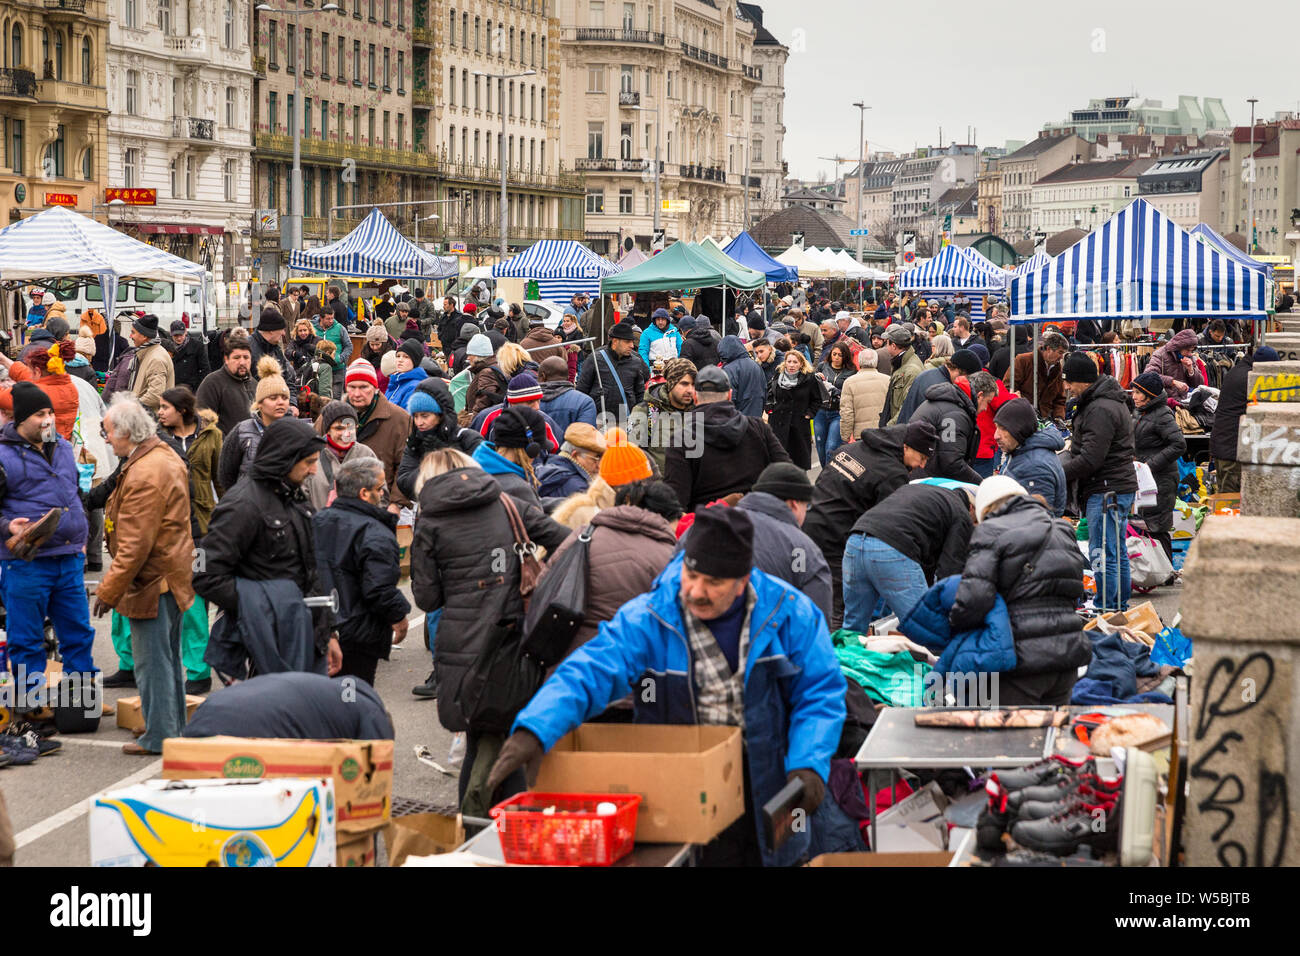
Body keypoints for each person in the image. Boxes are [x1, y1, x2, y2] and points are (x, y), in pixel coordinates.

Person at [487, 506, 847, 866]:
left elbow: (819, 693)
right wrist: (536, 727)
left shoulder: (792, 614)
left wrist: (808, 763)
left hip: (769, 778)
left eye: (714, 583)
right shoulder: (651, 615)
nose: (696, 591)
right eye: (692, 575)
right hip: (683, 781)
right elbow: (592, 667)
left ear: (743, 582)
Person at [410, 446, 569, 815]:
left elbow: (428, 598)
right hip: (514, 637)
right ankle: (511, 830)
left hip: (461, 645)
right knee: (513, 732)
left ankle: (476, 828)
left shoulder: (430, 521)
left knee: (478, 738)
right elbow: (565, 537)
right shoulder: (507, 503)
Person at [196, 417, 340, 680]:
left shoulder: (295, 495)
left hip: (308, 635)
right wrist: (265, 606)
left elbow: (313, 571)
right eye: (308, 462)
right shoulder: (241, 505)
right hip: (267, 644)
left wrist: (329, 633)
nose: (313, 471)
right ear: (284, 458)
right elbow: (204, 573)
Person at [93, 394, 195, 755]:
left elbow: (135, 545)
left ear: (126, 432)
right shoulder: (161, 456)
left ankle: (160, 735)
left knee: (153, 664)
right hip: (170, 574)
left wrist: (108, 590)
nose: (106, 439)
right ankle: (171, 727)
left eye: (108, 433)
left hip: (151, 581)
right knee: (166, 659)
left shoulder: (144, 472)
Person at [0, 383, 97, 717]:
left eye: (51, 413)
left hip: (69, 558)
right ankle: (30, 706)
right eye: (41, 414)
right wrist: (7, 527)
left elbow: (73, 495)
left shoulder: (65, 447)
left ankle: (82, 700)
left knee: (78, 635)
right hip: (26, 562)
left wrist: (82, 531)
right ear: (22, 418)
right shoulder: (3, 455)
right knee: (26, 640)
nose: (48, 420)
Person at [949, 476, 1089, 704]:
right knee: (1050, 735)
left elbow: (973, 601)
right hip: (1066, 659)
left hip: (1019, 663)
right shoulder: (1061, 529)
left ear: (986, 508)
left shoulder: (991, 531)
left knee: (1009, 737)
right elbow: (1075, 594)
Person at [536, 478, 681, 677]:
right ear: (664, 517)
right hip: (628, 675)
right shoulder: (668, 556)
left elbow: (543, 584)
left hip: (565, 665)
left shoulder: (583, 535)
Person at [803, 421, 936, 628]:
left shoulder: (850, 448)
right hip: (837, 540)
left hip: (810, 526)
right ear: (906, 447)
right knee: (839, 609)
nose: (922, 466)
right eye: (922, 458)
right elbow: (887, 526)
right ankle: (835, 656)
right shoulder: (892, 474)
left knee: (813, 598)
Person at [680, 463, 833, 622]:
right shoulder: (804, 549)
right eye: (806, 506)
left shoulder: (701, 527)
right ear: (794, 504)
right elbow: (816, 622)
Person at [310, 457, 410, 686]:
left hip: (319, 624)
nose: (384, 492)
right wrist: (399, 616)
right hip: (358, 632)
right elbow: (379, 587)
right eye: (380, 488)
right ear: (364, 493)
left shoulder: (316, 521)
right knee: (351, 698)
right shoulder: (375, 532)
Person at [842, 482, 975, 632]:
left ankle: (846, 654)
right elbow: (950, 570)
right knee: (925, 629)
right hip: (891, 548)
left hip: (855, 539)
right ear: (971, 508)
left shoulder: (925, 493)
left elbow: (927, 565)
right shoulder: (961, 513)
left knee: (853, 629)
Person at [1061, 352, 1137, 611]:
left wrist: (1059, 473)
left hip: (1107, 489)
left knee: (1103, 552)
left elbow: (1091, 458)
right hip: (1115, 487)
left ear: (1083, 380)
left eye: (1070, 381)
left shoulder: (1099, 409)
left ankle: (1108, 607)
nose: (1067, 386)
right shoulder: (1105, 402)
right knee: (1116, 551)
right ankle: (1118, 606)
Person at [665, 366, 790, 511]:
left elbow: (675, 504)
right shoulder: (758, 428)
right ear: (730, 395)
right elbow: (788, 475)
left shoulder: (682, 439)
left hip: (706, 526)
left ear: (695, 397)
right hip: (756, 522)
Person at [184, 672, 393, 739]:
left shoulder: (334, 693)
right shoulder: (372, 715)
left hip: (207, 712)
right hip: (237, 729)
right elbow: (373, 762)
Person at [1130, 371, 1186, 564]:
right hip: (1145, 478)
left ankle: (1166, 571)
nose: (1134, 396)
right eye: (1133, 392)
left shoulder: (1162, 414)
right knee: (1146, 523)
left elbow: (1179, 444)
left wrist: (1149, 465)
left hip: (1161, 479)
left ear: (1150, 394)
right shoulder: (1140, 412)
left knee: (1157, 526)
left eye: (1138, 393)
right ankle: (1154, 569)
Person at [344, 358, 412, 514]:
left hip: (382, 504)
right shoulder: (334, 416)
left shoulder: (399, 419)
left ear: (375, 388)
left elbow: (406, 465)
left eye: (363, 387)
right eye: (351, 387)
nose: (356, 394)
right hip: (341, 504)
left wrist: (396, 503)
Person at [908, 370, 999, 485]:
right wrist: (980, 484)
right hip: (928, 482)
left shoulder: (950, 403)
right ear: (980, 396)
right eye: (988, 402)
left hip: (921, 476)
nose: (986, 408)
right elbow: (951, 461)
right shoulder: (955, 414)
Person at [218, 356, 291, 490]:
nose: (280, 402)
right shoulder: (241, 431)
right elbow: (226, 474)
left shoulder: (296, 431)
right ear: (260, 403)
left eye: (284, 398)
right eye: (273, 398)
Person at [1211, 346, 1277, 493]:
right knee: (1231, 501)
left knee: (1228, 497)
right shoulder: (1249, 378)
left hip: (1226, 445)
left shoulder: (1239, 370)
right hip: (1232, 450)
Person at [156, 386, 222, 535]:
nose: (160, 412)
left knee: (200, 557)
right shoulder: (157, 437)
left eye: (165, 407)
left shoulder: (211, 434)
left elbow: (219, 479)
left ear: (182, 410)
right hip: (168, 517)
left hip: (202, 515)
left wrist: (227, 514)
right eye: (160, 407)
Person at [994, 397, 1067, 517]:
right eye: (996, 427)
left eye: (1003, 428)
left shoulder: (1035, 466)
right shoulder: (1021, 451)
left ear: (1019, 429)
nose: (996, 435)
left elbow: (1038, 523)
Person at [303, 399, 380, 511]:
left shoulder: (367, 455)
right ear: (328, 430)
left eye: (350, 427)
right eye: (339, 428)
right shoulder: (310, 457)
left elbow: (380, 498)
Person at [625, 357, 696, 475]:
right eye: (684, 384)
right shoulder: (647, 412)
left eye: (693, 385)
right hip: (658, 487)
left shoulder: (698, 411)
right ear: (670, 383)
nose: (690, 390)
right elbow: (632, 457)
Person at [0, 339, 80, 439]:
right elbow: (28, 376)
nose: (29, 374)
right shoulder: (69, 387)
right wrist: (3, 360)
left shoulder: (35, 394)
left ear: (37, 371)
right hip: (61, 445)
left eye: (30, 370)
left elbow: (2, 397)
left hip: (41, 449)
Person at [576, 324, 648, 421]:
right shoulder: (595, 359)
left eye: (632, 342)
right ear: (615, 341)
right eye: (627, 342)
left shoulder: (636, 362)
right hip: (600, 419)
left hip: (626, 418)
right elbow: (582, 390)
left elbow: (640, 393)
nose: (632, 345)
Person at [765, 348, 823, 469]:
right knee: (779, 461)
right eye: (789, 361)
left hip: (798, 424)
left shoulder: (809, 379)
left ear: (801, 363)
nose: (791, 365)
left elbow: (817, 400)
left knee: (799, 462)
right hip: (778, 423)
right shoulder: (778, 376)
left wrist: (809, 414)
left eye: (795, 362)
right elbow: (770, 393)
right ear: (785, 362)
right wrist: (769, 408)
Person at [896, 347, 980, 427]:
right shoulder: (942, 388)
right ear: (960, 371)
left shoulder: (928, 374)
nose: (967, 383)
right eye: (968, 379)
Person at [195, 328, 258, 435]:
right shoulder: (212, 383)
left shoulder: (254, 384)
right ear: (226, 359)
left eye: (246, 357)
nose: (242, 362)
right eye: (237, 357)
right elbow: (203, 423)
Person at [1003, 330, 1068, 422]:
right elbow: (1008, 388)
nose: (1061, 357)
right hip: (1022, 418)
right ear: (1048, 349)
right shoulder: (1023, 361)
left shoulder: (1057, 369)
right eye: (1060, 352)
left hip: (1046, 422)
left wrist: (1059, 417)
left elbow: (1059, 399)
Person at [536, 422, 605, 499]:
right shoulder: (580, 489)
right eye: (597, 458)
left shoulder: (546, 467)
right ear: (576, 455)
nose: (600, 465)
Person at [814, 341, 856, 467]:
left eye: (840, 355)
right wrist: (816, 377)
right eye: (834, 354)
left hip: (838, 412)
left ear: (845, 356)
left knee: (831, 447)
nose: (836, 357)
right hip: (821, 410)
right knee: (820, 446)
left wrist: (838, 391)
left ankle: (828, 477)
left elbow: (851, 391)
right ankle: (825, 472)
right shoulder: (823, 366)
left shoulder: (851, 371)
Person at [837, 349, 890, 443]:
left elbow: (846, 412)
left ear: (859, 361)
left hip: (860, 433)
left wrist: (846, 436)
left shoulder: (849, 382)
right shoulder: (888, 380)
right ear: (876, 362)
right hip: (882, 432)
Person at [537, 355, 596, 433]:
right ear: (567, 377)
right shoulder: (585, 402)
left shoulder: (528, 401)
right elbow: (586, 438)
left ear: (543, 376)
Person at [881, 325, 924, 425]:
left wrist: (890, 427)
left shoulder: (911, 371)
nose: (885, 347)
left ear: (894, 346)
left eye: (887, 343)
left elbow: (907, 406)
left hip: (901, 429)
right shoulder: (901, 362)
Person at [717, 334, 766, 419]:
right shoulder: (756, 365)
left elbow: (729, 400)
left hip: (738, 422)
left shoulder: (729, 369)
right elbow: (764, 390)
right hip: (756, 418)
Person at [1147, 328, 1204, 397]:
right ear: (1179, 347)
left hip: (1186, 401)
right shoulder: (1160, 355)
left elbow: (1199, 384)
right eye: (1187, 350)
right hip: (1166, 402)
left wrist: (1191, 370)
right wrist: (1173, 382)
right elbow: (1149, 376)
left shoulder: (1189, 357)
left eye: (1191, 351)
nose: (1190, 354)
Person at [384, 339, 429, 411]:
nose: (400, 360)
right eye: (398, 356)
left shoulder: (414, 387)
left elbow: (404, 418)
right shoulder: (395, 382)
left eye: (406, 357)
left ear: (415, 361)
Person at [167, 321, 211, 392]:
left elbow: (205, 369)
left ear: (185, 332)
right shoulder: (167, 347)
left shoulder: (197, 346)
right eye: (175, 336)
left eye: (181, 335)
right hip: (173, 388)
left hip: (191, 388)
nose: (179, 338)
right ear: (171, 334)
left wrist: (198, 389)